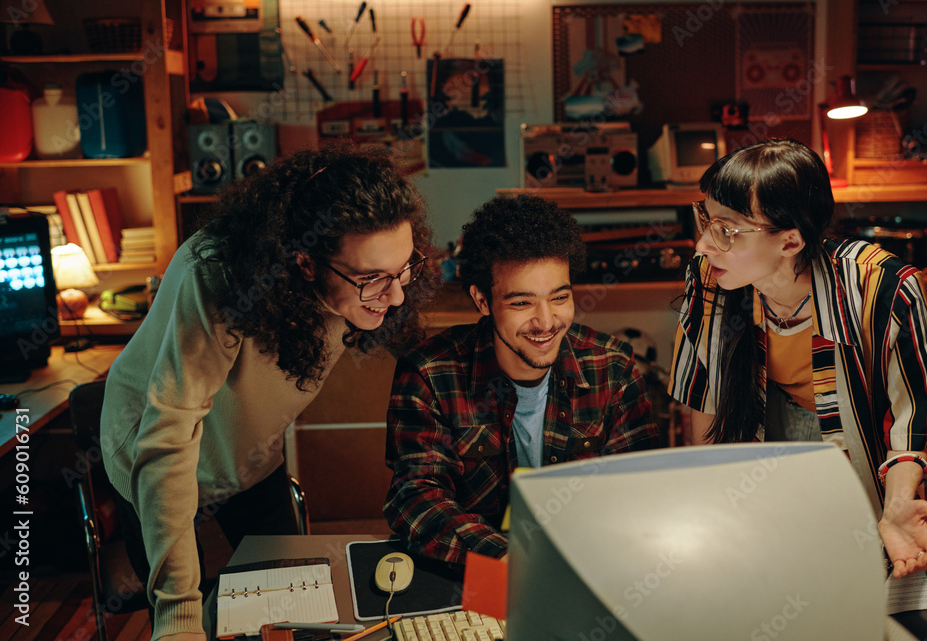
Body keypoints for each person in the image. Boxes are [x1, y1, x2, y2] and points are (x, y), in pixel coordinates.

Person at [101, 143, 433, 640]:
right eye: (373, 279)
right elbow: (167, 435)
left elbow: (414, 343)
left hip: (251, 457)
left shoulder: (373, 279)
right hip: (152, 454)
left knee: (291, 608)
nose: (397, 293)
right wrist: (177, 612)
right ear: (304, 264)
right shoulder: (219, 277)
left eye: (404, 268)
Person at [667, 138, 927, 579]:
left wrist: (897, 504)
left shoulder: (882, 288)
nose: (704, 244)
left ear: (790, 242)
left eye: (726, 230)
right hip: (760, 428)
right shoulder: (709, 279)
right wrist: (713, 506)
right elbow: (704, 404)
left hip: (853, 439)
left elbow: (910, 417)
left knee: (846, 569)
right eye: (705, 220)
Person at [384, 194, 663, 565]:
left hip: (590, 567)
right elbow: (417, 499)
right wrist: (513, 559)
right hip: (476, 576)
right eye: (522, 303)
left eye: (559, 297)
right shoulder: (430, 373)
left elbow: (640, 489)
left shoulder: (612, 367)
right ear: (482, 301)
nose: (546, 322)